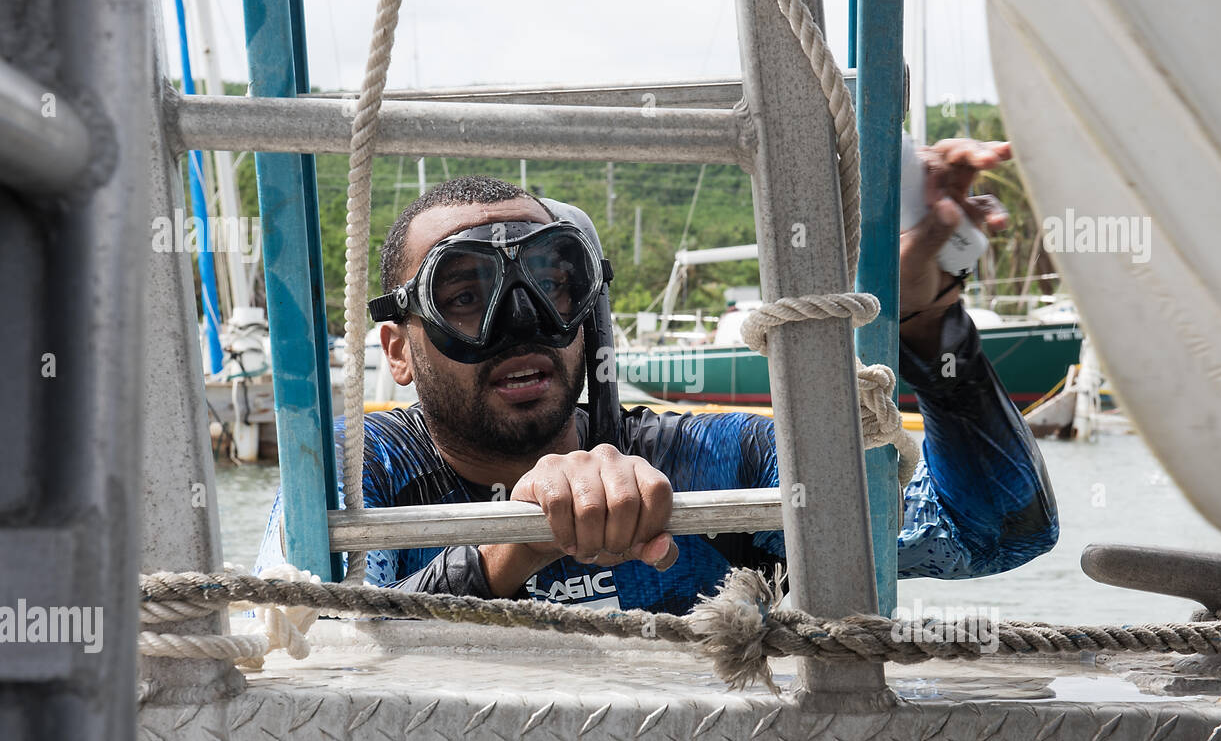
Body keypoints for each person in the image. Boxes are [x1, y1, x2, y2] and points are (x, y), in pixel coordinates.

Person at [255, 140, 1058, 615]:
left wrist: (931, 327)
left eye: (551, 281)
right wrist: (513, 545)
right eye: (467, 296)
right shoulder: (358, 473)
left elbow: (988, 532)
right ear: (397, 347)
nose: (524, 322)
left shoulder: (715, 466)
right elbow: (322, 648)